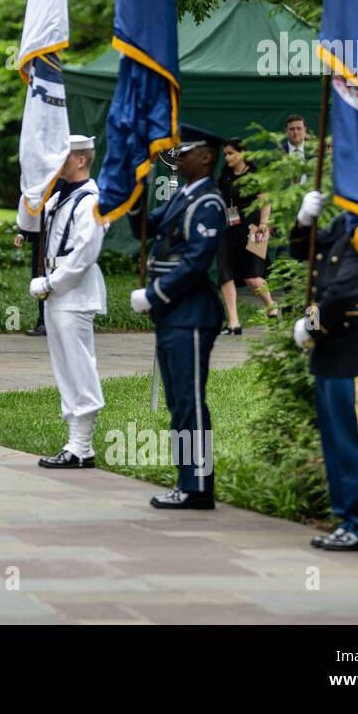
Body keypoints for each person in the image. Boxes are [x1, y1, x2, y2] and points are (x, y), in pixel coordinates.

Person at [128, 124, 226, 509]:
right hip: (173, 315)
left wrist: (154, 295)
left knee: (189, 401)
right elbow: (144, 228)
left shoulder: (209, 203)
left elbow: (196, 262)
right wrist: (134, 194)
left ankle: (198, 486)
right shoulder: (183, 195)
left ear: (206, 156)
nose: (178, 157)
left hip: (192, 314)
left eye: (185, 151)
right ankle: (188, 480)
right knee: (178, 401)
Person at [289, 187, 358, 551]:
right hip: (333, 353)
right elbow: (304, 251)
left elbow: (345, 292)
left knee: (356, 444)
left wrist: (312, 326)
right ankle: (347, 518)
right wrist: (303, 222)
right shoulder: (344, 225)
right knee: (337, 442)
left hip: (356, 351)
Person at [30, 135, 107, 468]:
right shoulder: (61, 196)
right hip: (56, 291)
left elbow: (84, 255)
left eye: (61, 157)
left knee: (78, 367)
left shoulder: (90, 200)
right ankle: (77, 444)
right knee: (65, 367)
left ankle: (82, 444)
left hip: (72, 292)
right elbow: (27, 219)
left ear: (80, 160)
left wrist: (51, 282)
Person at [217, 136, 279, 333]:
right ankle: (233, 323)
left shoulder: (254, 174)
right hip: (229, 229)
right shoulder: (225, 176)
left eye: (231, 153)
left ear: (242, 153)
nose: (227, 158)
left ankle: (272, 307)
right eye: (225, 154)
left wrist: (264, 223)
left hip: (254, 229)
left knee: (252, 278)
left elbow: (265, 201)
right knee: (225, 275)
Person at [14, 198, 47, 336]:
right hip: (39, 241)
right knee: (39, 279)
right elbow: (32, 210)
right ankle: (43, 321)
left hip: (56, 241)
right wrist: (22, 232)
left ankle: (52, 323)